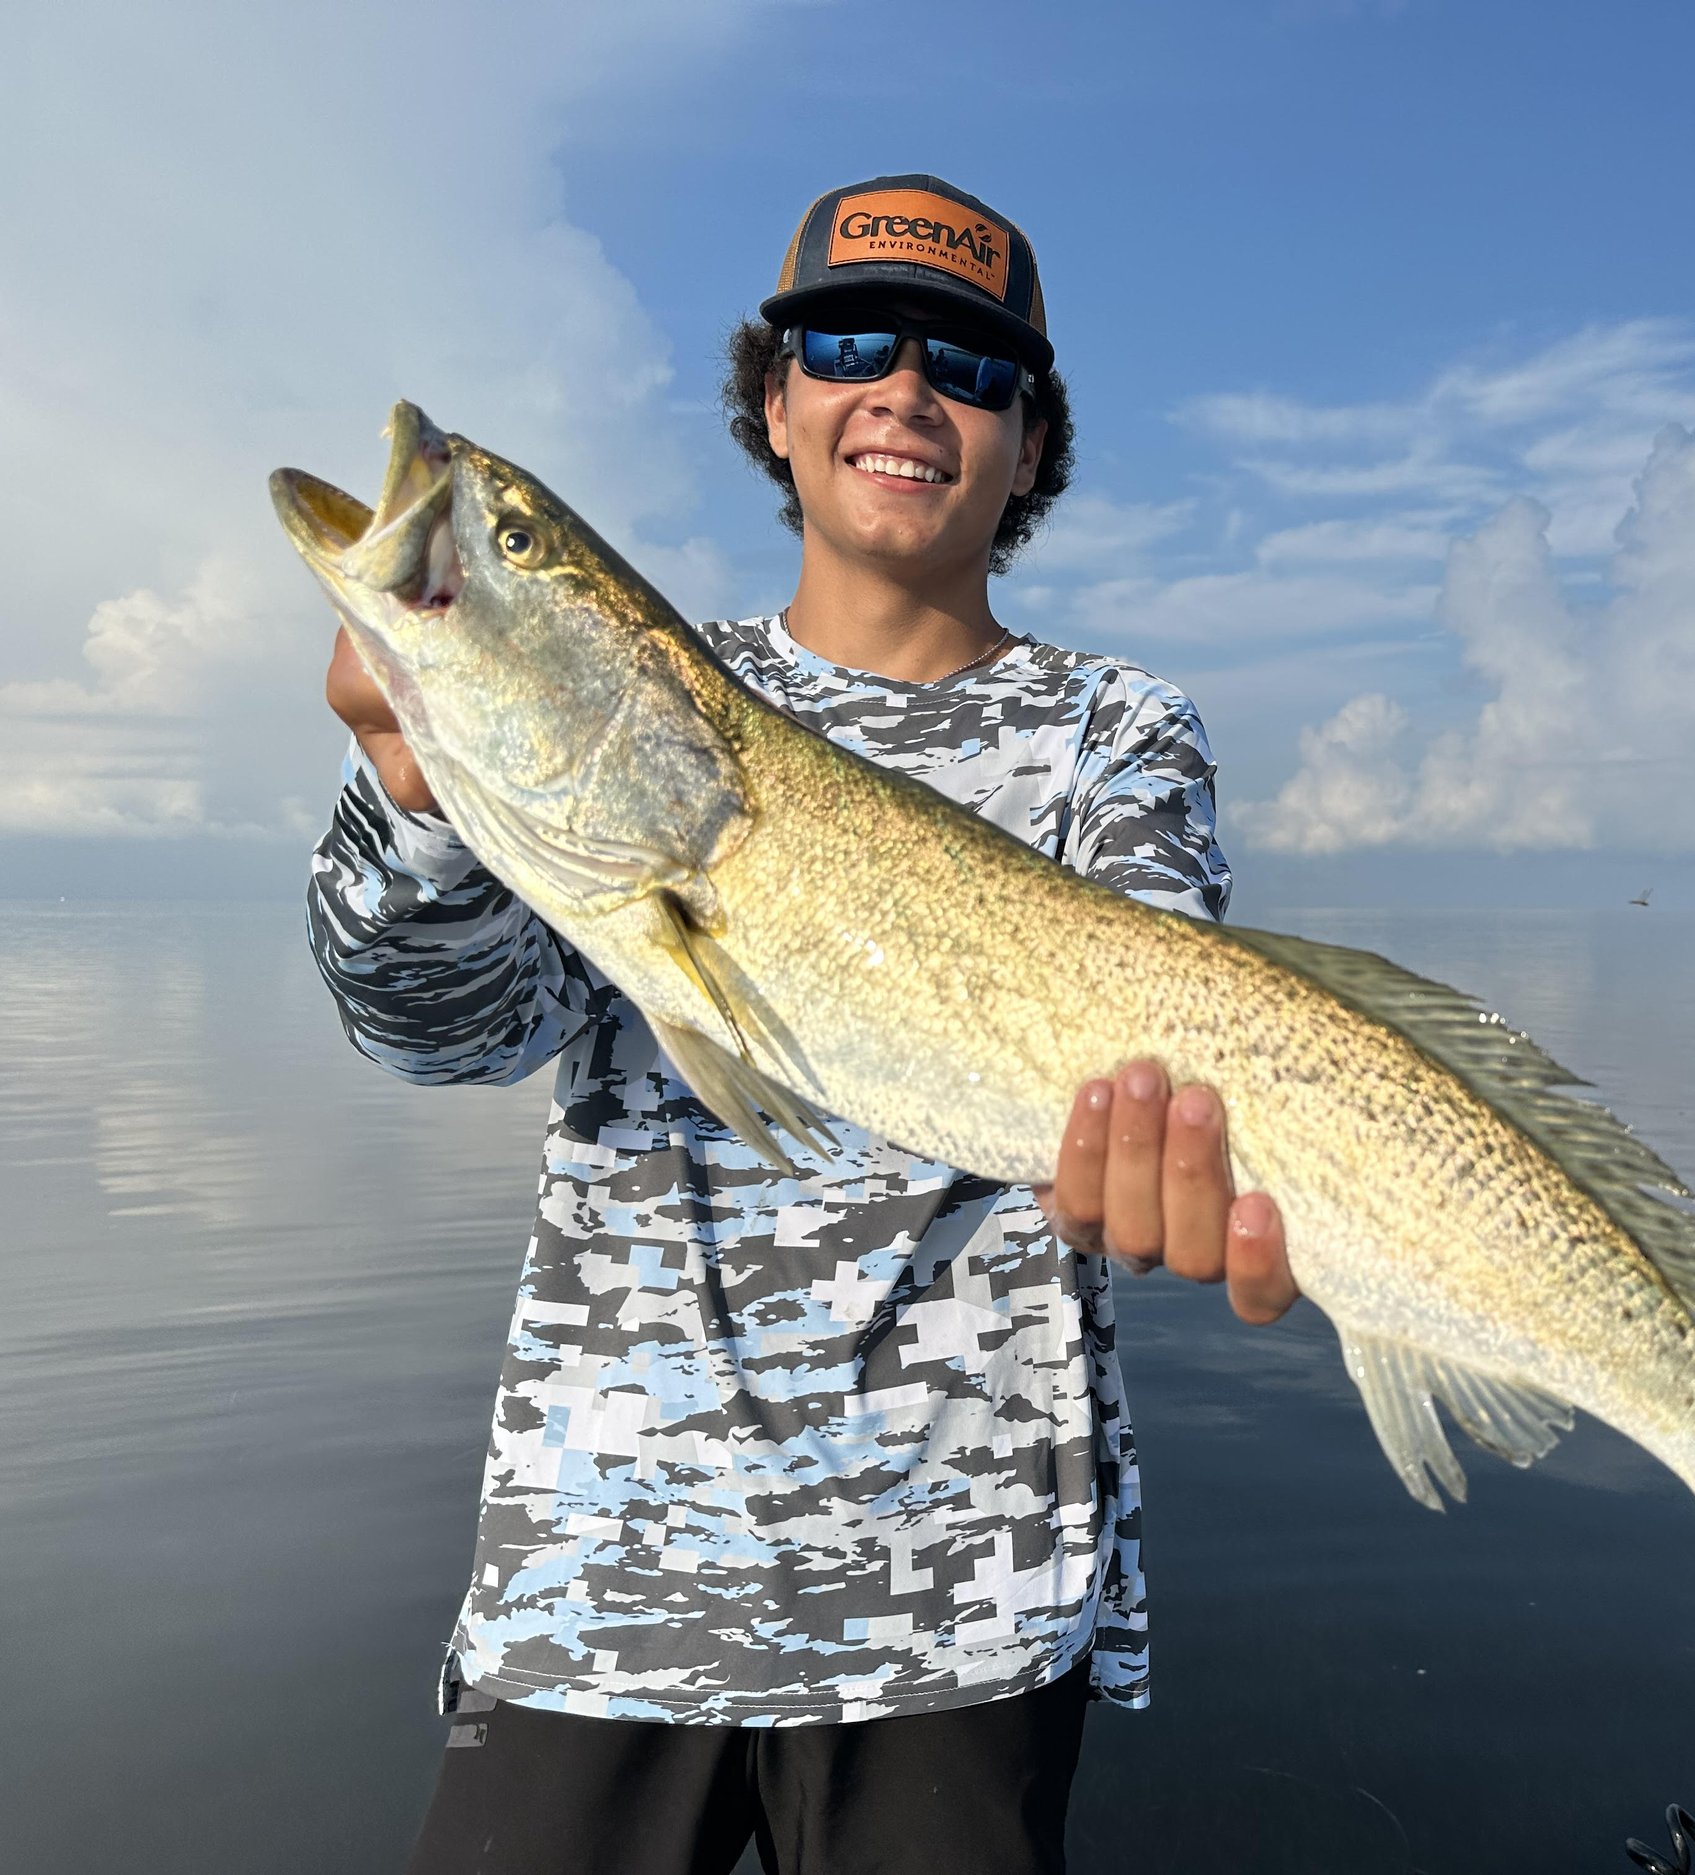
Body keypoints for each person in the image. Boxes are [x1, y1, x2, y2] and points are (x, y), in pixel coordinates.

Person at [308, 173, 1294, 1875]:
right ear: (778, 403)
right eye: (847, 343)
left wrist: (1175, 1160)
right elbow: (439, 1032)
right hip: (596, 1583)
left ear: (1031, 445)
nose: (905, 391)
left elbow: (1170, 1029)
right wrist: (421, 792)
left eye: (971, 370)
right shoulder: (642, 698)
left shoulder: (1114, 730)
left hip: (965, 1601)